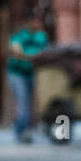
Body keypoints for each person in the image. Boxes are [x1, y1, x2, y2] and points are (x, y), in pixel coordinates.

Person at [7, 8, 49, 143]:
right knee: (23, 101)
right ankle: (21, 130)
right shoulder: (20, 35)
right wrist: (33, 57)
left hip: (32, 73)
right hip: (17, 73)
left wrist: (27, 56)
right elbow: (15, 51)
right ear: (30, 22)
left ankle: (27, 129)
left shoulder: (42, 37)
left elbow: (45, 54)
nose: (37, 24)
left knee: (31, 103)